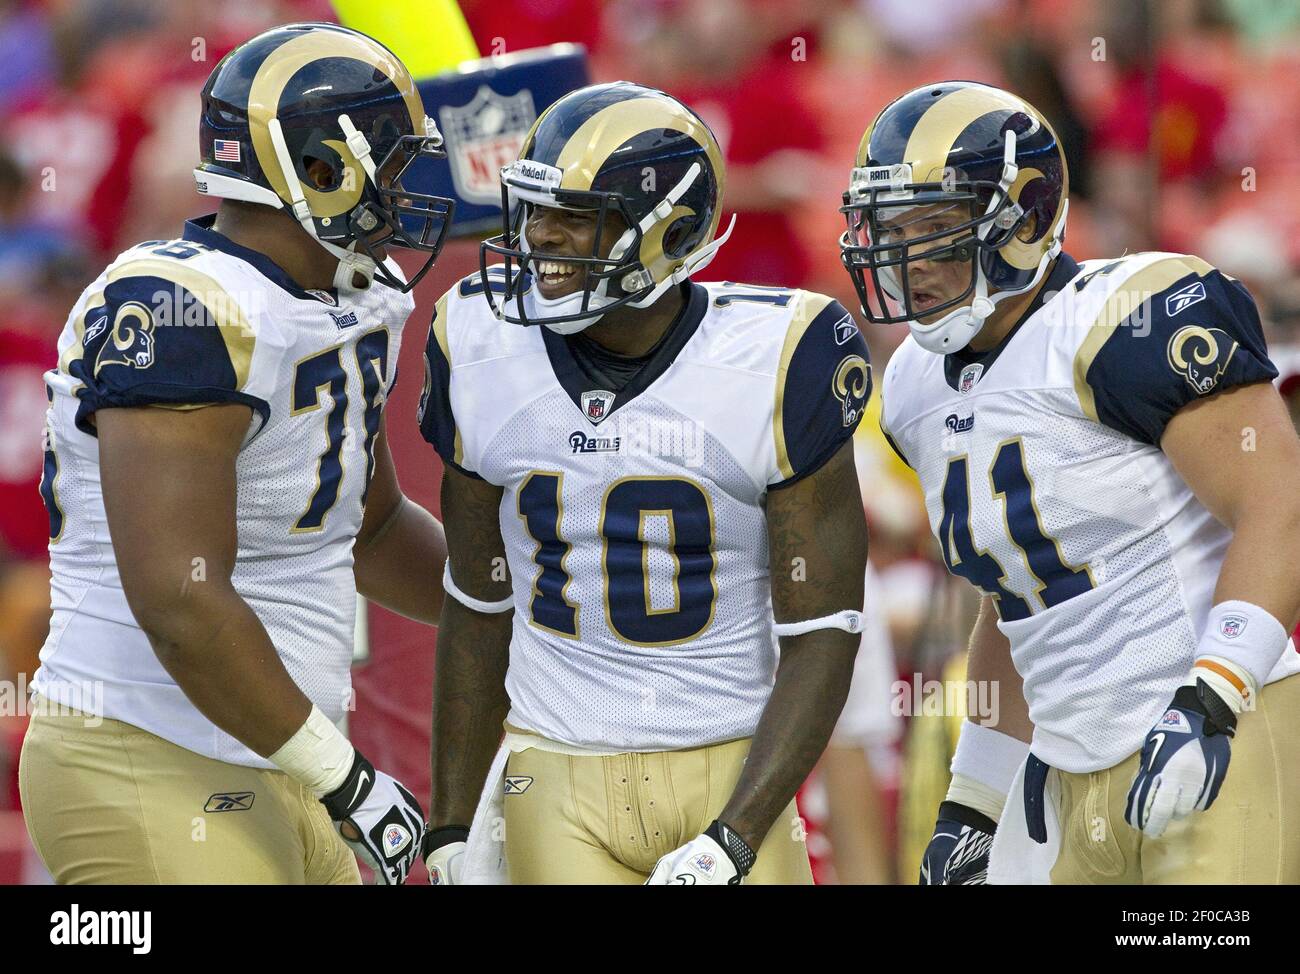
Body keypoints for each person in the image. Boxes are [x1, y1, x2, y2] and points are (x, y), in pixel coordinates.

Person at [20, 22, 452, 885]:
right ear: (321, 172)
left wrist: (527, 608)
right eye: (392, 164)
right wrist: (350, 781)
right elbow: (180, 600)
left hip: (282, 755)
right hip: (148, 751)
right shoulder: (180, 306)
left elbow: (367, 533)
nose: (408, 190)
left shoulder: (353, 294)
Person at [839, 81, 1300, 884]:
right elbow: (1020, 598)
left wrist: (1212, 699)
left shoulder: (1125, 319)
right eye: (891, 231)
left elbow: (1280, 503)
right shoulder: (915, 384)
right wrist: (972, 800)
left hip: (1218, 734)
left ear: (1020, 218)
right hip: (1065, 773)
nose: (908, 262)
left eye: (936, 231)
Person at [418, 81, 871, 885]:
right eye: (534, 212)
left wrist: (736, 834)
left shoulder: (779, 354)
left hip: (729, 761)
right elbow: (478, 600)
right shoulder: (478, 336)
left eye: (576, 218)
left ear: (672, 232)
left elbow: (824, 629)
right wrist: (450, 823)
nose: (541, 242)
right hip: (553, 763)